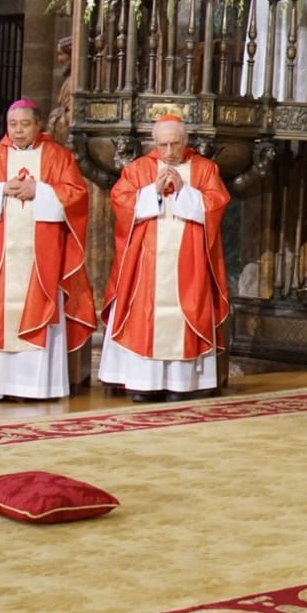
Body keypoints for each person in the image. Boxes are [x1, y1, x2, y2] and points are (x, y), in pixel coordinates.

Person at [0, 100, 97, 400]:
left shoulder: (57, 156)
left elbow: (76, 194)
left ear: (38, 125)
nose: (18, 130)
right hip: (1, 256)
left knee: (40, 306)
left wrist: (41, 191)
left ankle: (35, 387)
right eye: (13, 124)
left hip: (42, 256)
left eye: (25, 124)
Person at [100, 116, 230, 401]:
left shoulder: (205, 169)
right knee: (144, 314)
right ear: (154, 143)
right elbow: (120, 201)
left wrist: (184, 190)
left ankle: (182, 385)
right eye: (163, 144)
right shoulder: (139, 169)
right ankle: (144, 383)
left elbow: (216, 205)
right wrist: (153, 192)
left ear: (186, 142)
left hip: (190, 261)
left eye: (175, 143)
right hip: (147, 261)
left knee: (188, 310)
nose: (169, 151)